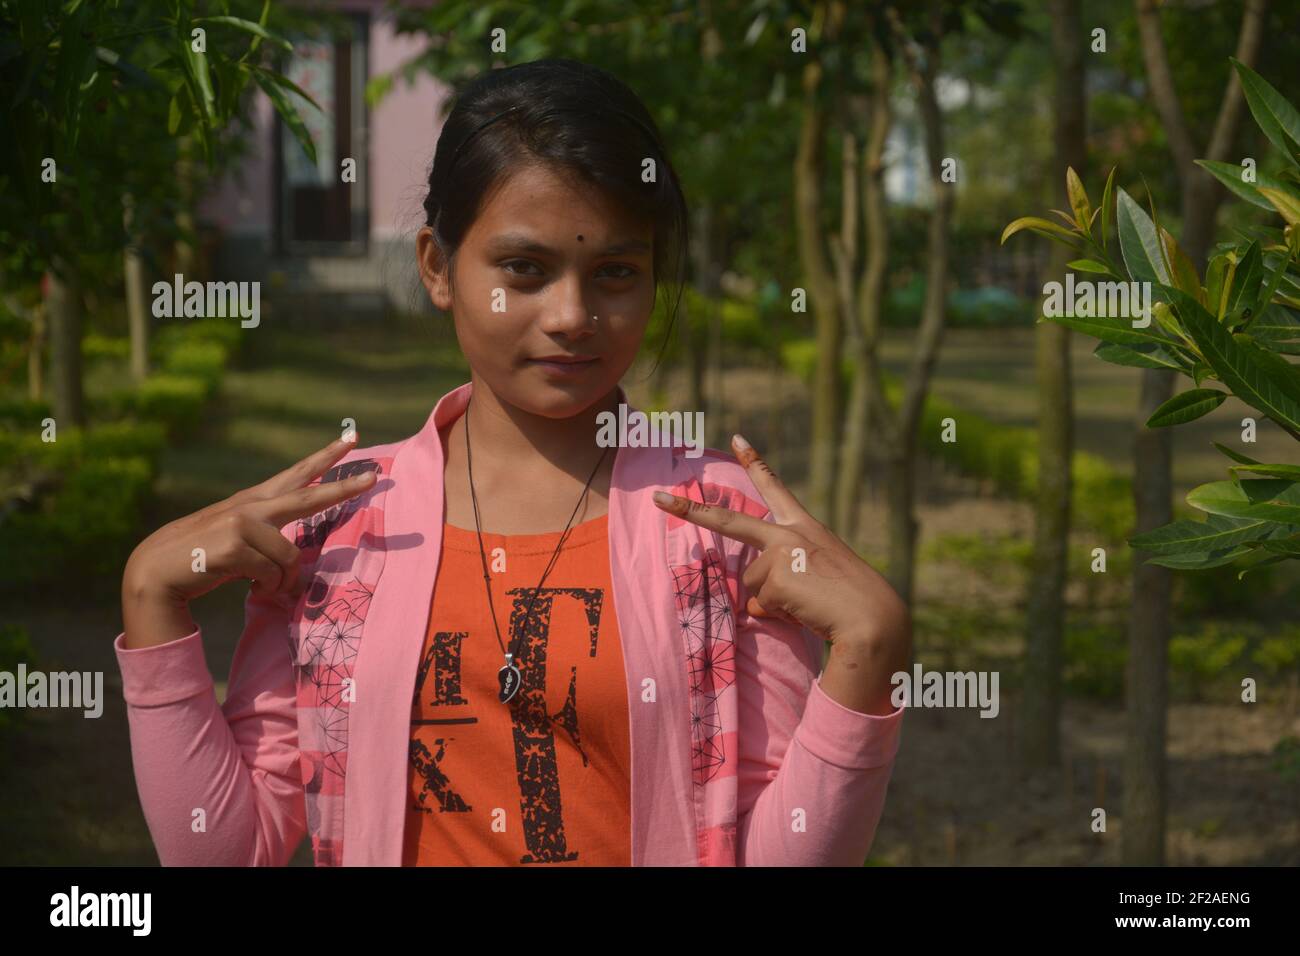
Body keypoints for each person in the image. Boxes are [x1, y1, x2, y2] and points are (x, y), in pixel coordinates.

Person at [114, 57, 910, 867]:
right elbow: (226, 851)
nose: (572, 316)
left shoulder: (719, 525)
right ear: (436, 266)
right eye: (524, 270)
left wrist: (870, 649)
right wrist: (151, 600)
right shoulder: (340, 530)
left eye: (616, 274)